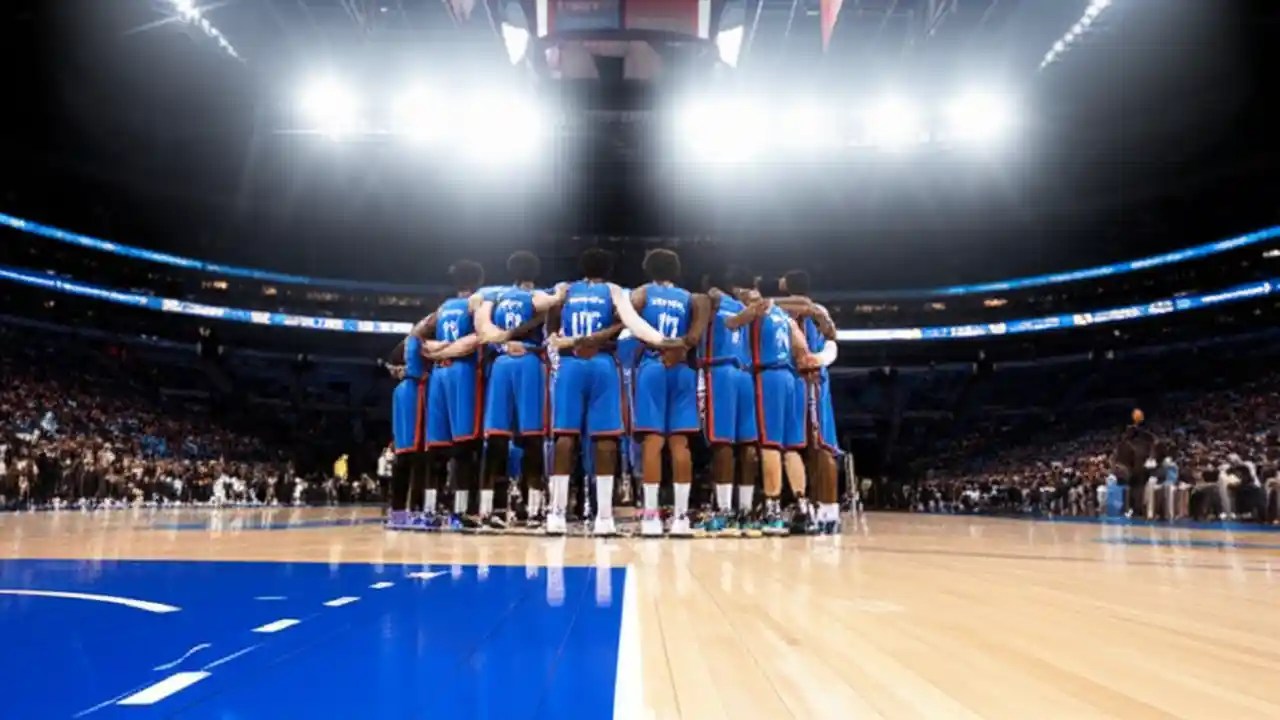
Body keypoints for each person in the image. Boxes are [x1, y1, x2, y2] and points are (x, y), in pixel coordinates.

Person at [545, 248, 669, 536]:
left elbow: (551, 327)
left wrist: (563, 340)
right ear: (610, 269)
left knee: (564, 436)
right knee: (606, 439)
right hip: (602, 362)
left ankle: (556, 514)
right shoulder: (613, 290)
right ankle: (604, 517)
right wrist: (661, 340)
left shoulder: (565, 290)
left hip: (570, 364)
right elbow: (629, 320)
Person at [473, 251, 565, 531]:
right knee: (533, 438)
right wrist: (560, 291)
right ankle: (535, 511)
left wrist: (501, 343)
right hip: (529, 361)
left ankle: (489, 511)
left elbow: (482, 328)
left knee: (497, 439)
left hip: (500, 363)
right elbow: (554, 301)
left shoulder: (493, 295)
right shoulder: (538, 295)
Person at [699, 265, 767, 536]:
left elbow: (720, 307)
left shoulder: (715, 299)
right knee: (748, 444)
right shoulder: (753, 304)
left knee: (723, 442)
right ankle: (746, 511)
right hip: (746, 374)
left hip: (721, 371)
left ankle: (725, 512)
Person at [749, 291, 821, 535]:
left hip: (768, 376)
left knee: (770, 445)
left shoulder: (756, 312)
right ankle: (803, 508)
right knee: (792, 448)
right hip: (793, 380)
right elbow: (803, 352)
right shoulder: (787, 319)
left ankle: (773, 509)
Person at [776, 269, 841, 533]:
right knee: (795, 446)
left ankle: (829, 511)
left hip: (808, 379)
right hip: (792, 379)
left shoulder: (807, 309)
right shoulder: (789, 309)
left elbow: (832, 341)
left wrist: (820, 359)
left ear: (787, 284)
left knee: (821, 446)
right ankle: (812, 507)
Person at [423, 261, 486, 529]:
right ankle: (463, 509)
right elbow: (478, 338)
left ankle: (429, 508)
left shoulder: (442, 308)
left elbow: (421, 342)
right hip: (464, 372)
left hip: (439, 373)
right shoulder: (477, 303)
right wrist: (452, 349)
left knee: (437, 445)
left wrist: (439, 350)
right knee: (465, 444)